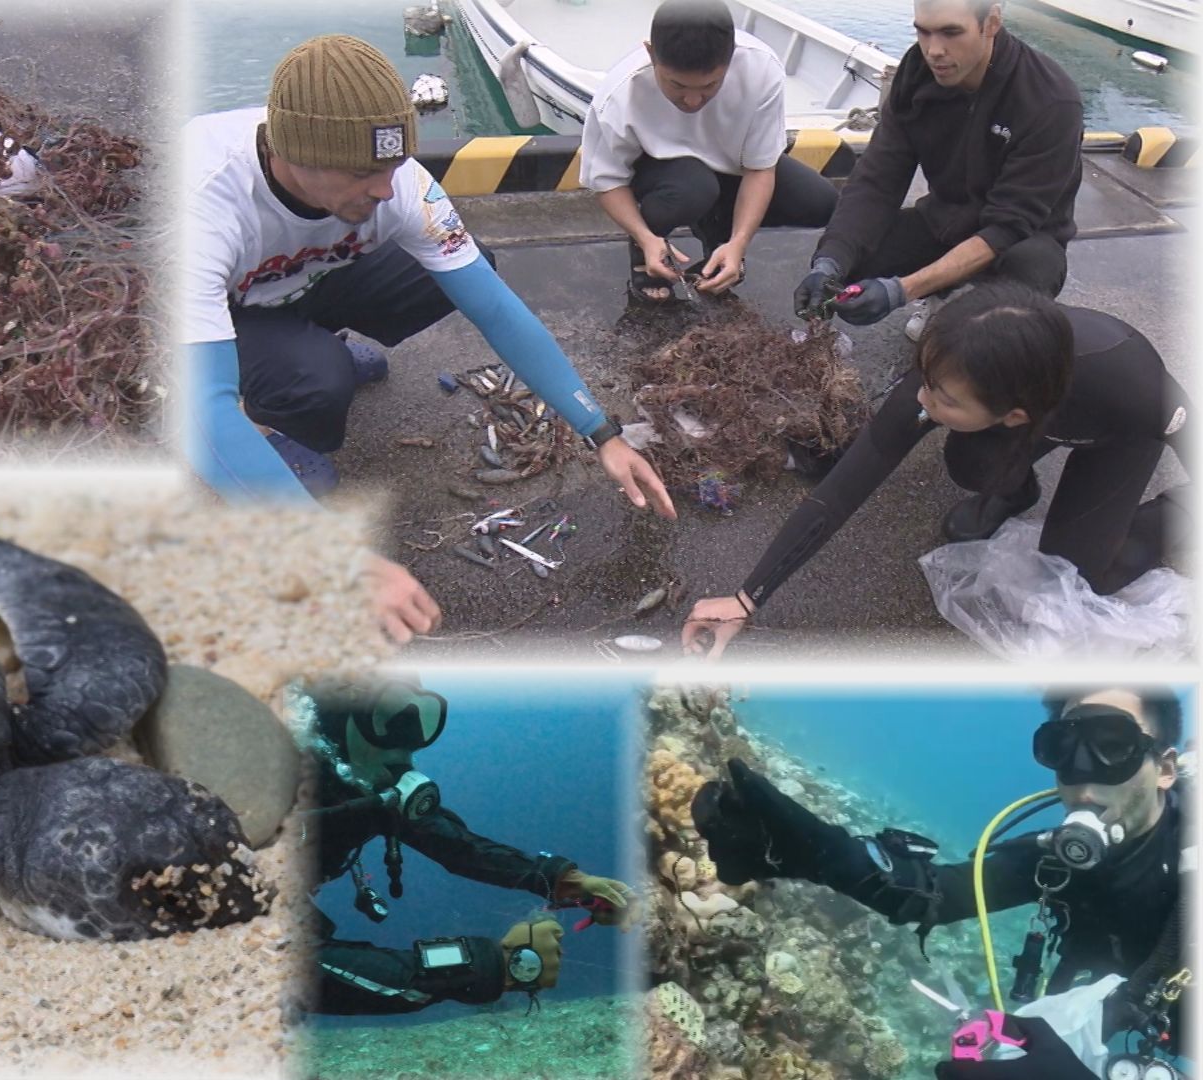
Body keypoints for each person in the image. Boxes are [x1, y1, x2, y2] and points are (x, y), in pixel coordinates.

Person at [182, 35, 676, 643]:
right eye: (365, 173)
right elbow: (199, 406)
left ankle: (313, 341)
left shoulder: (396, 183)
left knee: (467, 269)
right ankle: (275, 410)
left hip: (300, 273)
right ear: (293, 154)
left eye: (392, 167)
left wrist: (601, 431)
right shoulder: (201, 205)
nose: (387, 189)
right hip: (226, 314)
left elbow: (494, 311)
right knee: (314, 385)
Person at [691, 687, 1192, 1076]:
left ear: (1165, 768)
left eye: (1112, 746)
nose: (1083, 776)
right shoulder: (1057, 858)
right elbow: (939, 893)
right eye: (1064, 748)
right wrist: (810, 852)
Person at [681, 283, 1189, 659]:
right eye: (925, 380)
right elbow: (840, 492)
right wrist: (748, 597)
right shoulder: (948, 372)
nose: (921, 401)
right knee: (970, 463)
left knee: (1076, 581)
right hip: (1021, 415)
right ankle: (1012, 492)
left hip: (1114, 435)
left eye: (941, 398)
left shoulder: (1134, 386)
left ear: (1013, 416)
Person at [297, 677, 634, 1014]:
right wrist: (492, 966)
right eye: (386, 718)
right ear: (333, 717)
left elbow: (458, 847)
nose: (408, 744)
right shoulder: (259, 797)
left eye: (421, 721)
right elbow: (266, 965)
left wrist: (563, 881)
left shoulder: (361, 786)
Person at [792, 0, 1083, 341]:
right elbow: (877, 180)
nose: (934, 51)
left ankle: (962, 306)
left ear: (991, 23)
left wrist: (902, 290)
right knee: (847, 259)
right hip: (944, 219)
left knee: (1014, 306)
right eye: (923, 31)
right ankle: (944, 293)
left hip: (1024, 240)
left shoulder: (1050, 100)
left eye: (950, 32)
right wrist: (829, 262)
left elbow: (1007, 228)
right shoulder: (916, 70)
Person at [581, 0, 838, 304]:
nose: (692, 100)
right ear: (651, 54)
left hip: (731, 164)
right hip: (659, 170)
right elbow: (607, 181)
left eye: (709, 86)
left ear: (732, 57)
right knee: (692, 188)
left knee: (822, 202)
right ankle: (648, 251)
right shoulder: (618, 94)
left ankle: (718, 235)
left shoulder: (761, 70)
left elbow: (760, 168)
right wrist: (644, 235)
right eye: (677, 85)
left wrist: (739, 242)